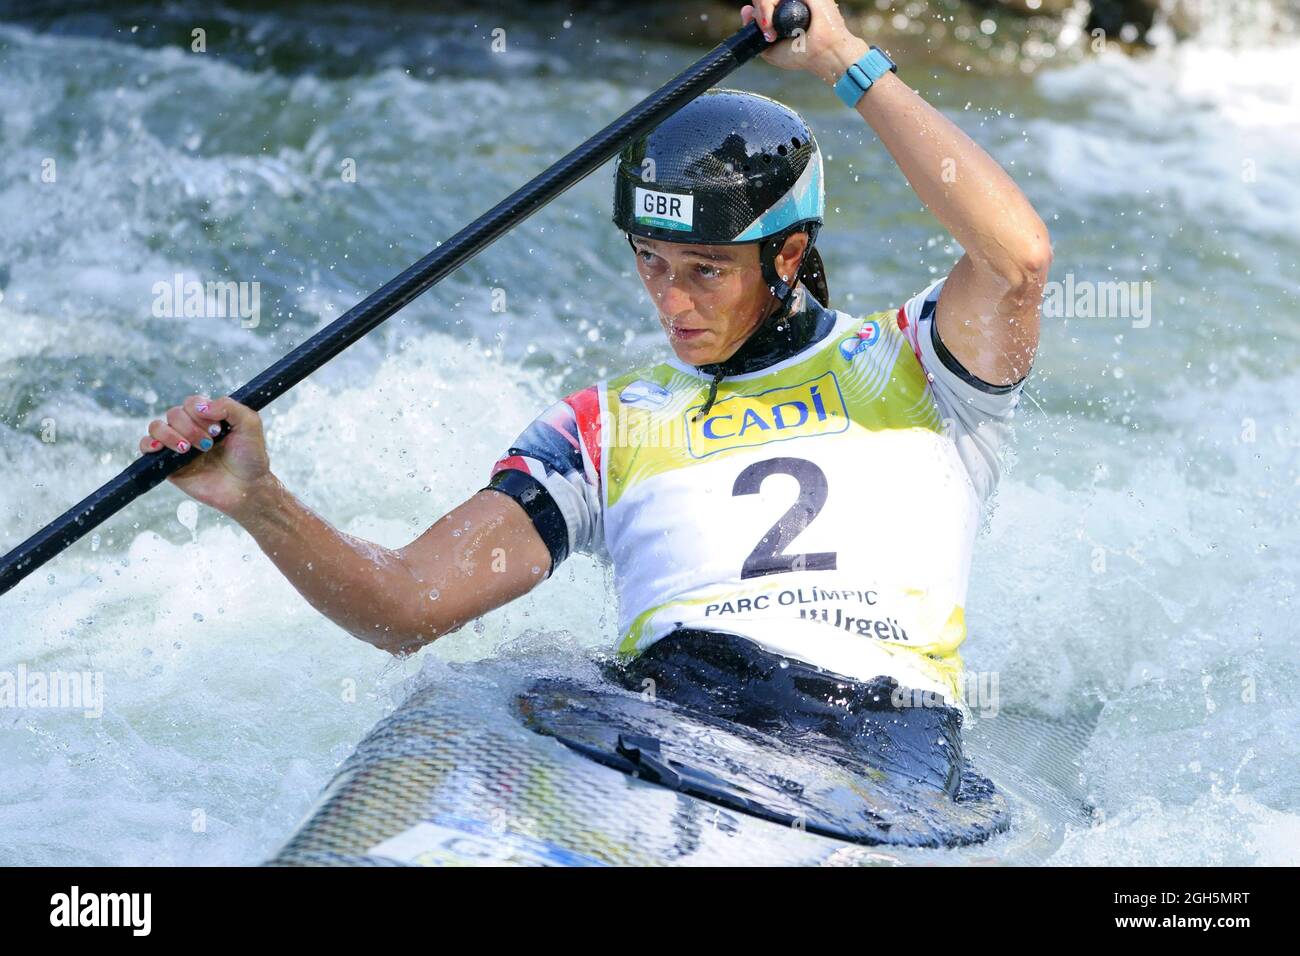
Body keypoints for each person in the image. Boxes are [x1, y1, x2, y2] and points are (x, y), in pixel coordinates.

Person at [138, 0, 1050, 764]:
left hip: (882, 744)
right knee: (496, 675)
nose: (672, 300)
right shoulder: (600, 427)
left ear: (790, 255)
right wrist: (259, 500)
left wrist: (847, 58)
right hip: (667, 717)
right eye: (650, 262)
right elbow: (408, 604)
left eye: (704, 269)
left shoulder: (917, 364)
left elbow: (1017, 258)